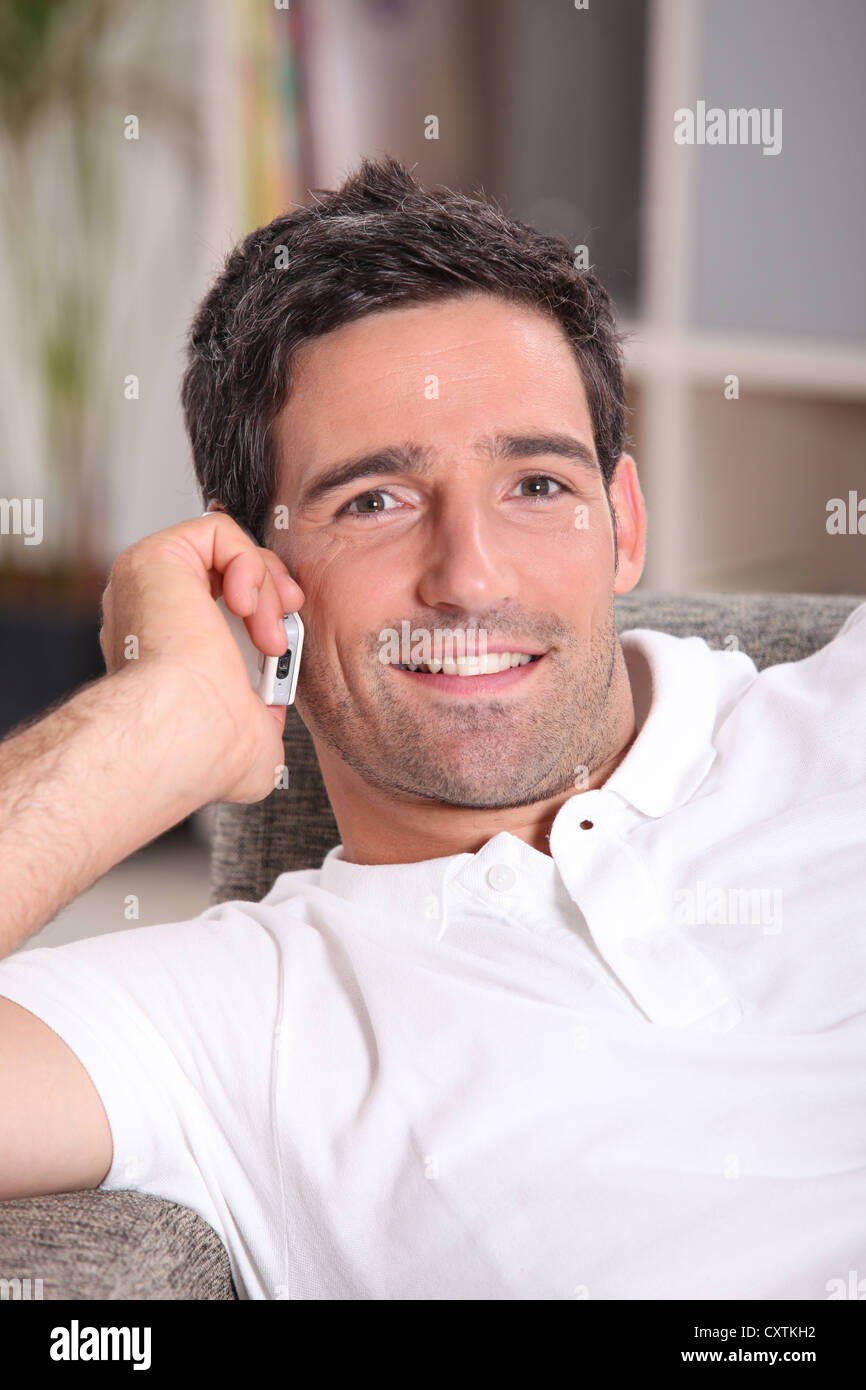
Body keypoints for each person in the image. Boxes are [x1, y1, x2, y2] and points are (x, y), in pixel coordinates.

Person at [0, 156, 863, 1300]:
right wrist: (146, 725)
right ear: (256, 574)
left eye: (537, 485)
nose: (469, 576)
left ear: (624, 524)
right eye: (375, 501)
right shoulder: (235, 1020)